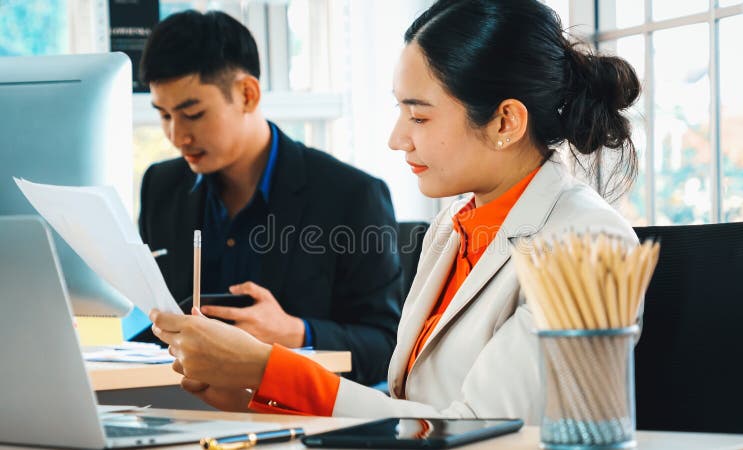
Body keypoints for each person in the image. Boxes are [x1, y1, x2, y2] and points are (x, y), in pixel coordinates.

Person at [150, 0, 641, 423]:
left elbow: (478, 429)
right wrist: (254, 392)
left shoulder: (591, 246)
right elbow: (406, 406)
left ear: (505, 121)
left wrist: (268, 369)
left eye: (419, 115)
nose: (396, 138)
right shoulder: (454, 225)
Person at [135, 10, 403, 386]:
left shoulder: (351, 195)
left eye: (192, 114)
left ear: (247, 95)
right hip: (181, 404)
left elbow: (389, 347)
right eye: (164, 116)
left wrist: (297, 333)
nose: (177, 136)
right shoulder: (161, 187)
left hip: (296, 417)